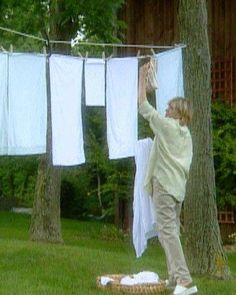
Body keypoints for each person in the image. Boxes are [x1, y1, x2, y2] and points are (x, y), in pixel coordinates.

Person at [138, 62, 198, 295]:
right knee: (171, 231)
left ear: (179, 113)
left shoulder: (169, 127)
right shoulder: (187, 135)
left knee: (167, 232)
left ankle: (185, 280)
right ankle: (174, 277)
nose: (166, 109)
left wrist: (142, 77)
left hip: (164, 187)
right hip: (178, 190)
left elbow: (143, 106)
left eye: (170, 107)